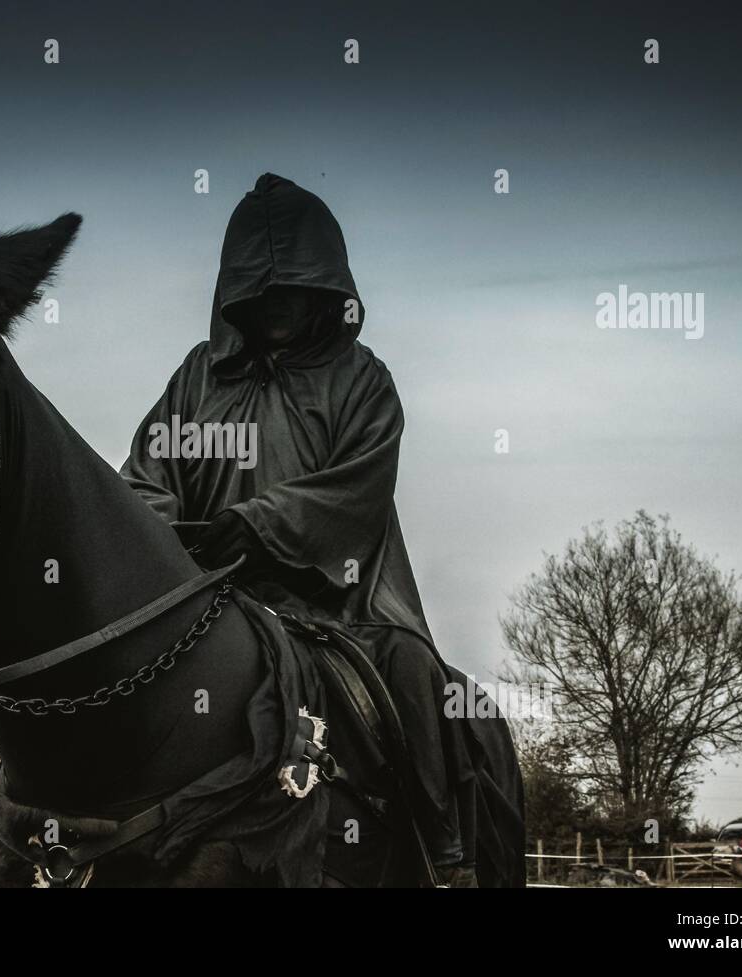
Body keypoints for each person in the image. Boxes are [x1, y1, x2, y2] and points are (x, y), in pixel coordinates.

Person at [121, 172, 524, 886]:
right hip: (210, 598)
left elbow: (357, 487)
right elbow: (146, 475)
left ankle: (444, 854)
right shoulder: (197, 378)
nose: (277, 305)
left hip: (341, 603)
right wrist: (165, 542)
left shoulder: (363, 380)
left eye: (293, 289)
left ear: (322, 289)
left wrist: (256, 525)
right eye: (263, 291)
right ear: (238, 294)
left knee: (410, 666)